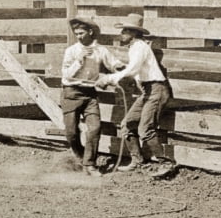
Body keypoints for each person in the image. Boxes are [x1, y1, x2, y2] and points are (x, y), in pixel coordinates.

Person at [96, 12, 176, 178]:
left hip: (157, 90)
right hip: (147, 91)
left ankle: (166, 162)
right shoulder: (135, 48)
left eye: (125, 31)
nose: (121, 34)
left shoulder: (140, 47)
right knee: (127, 124)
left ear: (133, 33)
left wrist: (109, 78)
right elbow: (132, 69)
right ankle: (138, 160)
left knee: (145, 128)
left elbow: (132, 70)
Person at [60, 16, 123, 176]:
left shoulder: (101, 50)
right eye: (76, 33)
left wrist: (119, 67)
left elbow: (113, 63)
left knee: (95, 128)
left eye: (81, 33)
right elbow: (66, 75)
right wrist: (79, 62)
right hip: (71, 93)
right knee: (71, 133)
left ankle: (90, 164)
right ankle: (80, 156)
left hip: (90, 95)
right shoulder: (71, 51)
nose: (79, 36)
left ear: (90, 31)